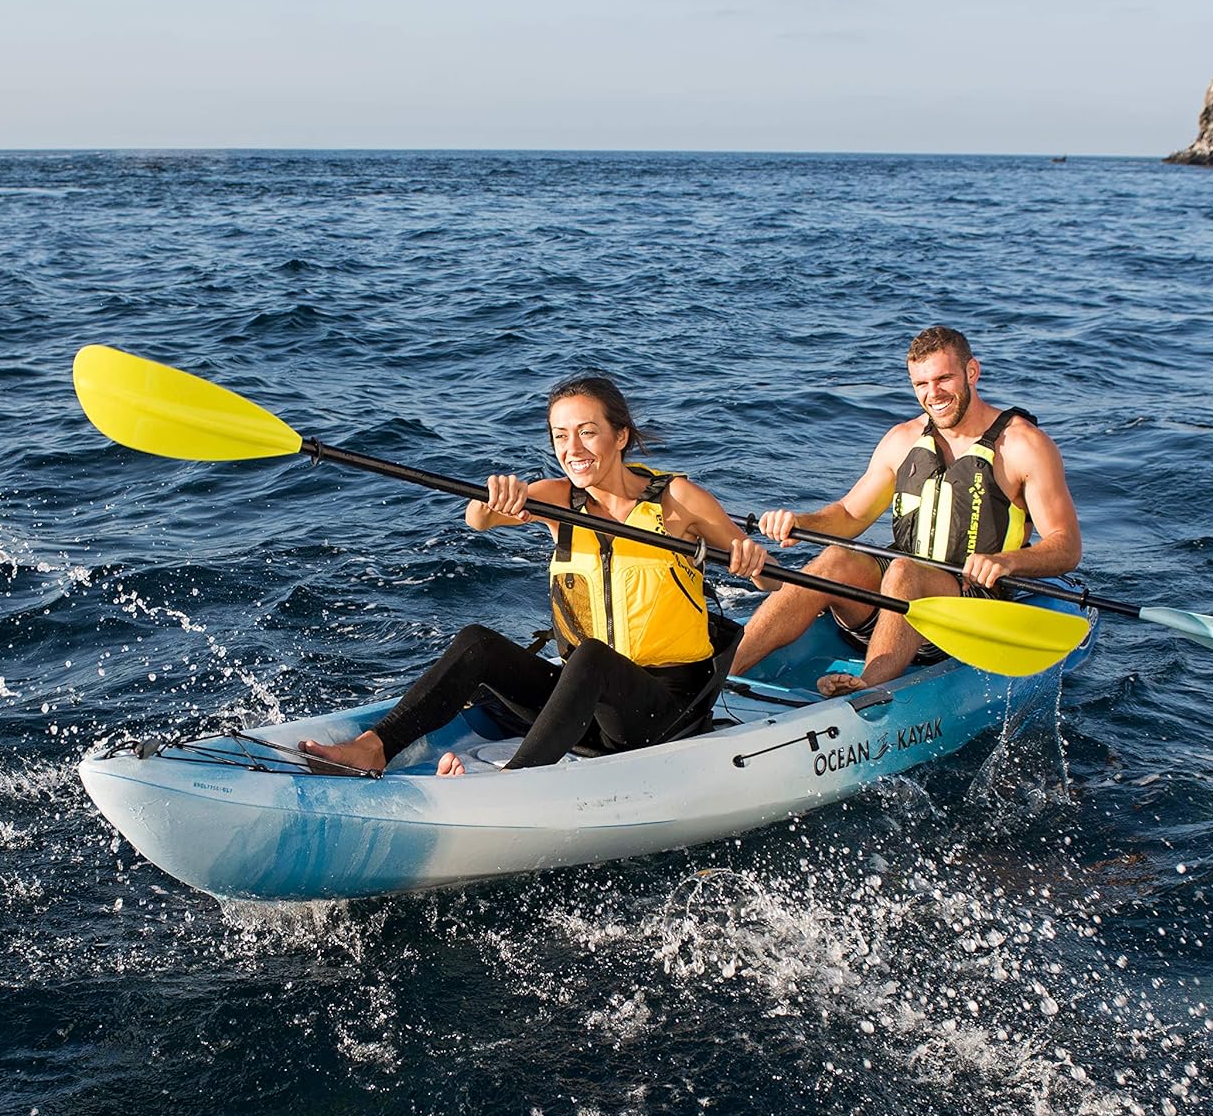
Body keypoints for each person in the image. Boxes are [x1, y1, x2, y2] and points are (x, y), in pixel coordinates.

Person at [301, 375, 770, 777]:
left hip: (661, 714)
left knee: (591, 658)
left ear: (620, 436)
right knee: (478, 643)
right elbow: (478, 520)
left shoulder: (678, 500)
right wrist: (493, 500)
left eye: (588, 432)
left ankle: (514, 783)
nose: (573, 449)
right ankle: (373, 748)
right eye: (560, 435)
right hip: (586, 711)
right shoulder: (559, 500)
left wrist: (754, 564)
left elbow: (769, 579)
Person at [731, 325, 1082, 695]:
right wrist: (800, 521)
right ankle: (720, 674)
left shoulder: (1024, 446)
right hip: (888, 607)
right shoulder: (902, 439)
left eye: (944, 378)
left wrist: (1009, 562)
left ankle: (866, 692)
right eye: (921, 384)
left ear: (972, 372)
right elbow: (850, 516)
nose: (934, 394)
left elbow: (1066, 545)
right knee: (836, 559)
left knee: (903, 571)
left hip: (968, 616)